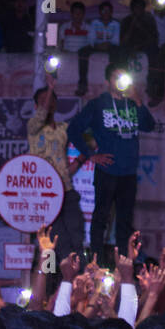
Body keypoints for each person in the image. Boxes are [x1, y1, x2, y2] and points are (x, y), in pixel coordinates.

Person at [67, 63, 156, 262]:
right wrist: (91, 155)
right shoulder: (98, 104)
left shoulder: (133, 104)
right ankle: (96, 263)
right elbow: (73, 129)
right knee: (101, 219)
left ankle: (124, 264)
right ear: (108, 82)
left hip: (128, 172)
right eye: (116, 77)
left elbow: (150, 126)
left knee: (125, 223)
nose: (121, 82)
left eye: (124, 78)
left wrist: (137, 100)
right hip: (107, 171)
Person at [27, 77, 111, 262]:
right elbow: (41, 116)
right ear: (36, 107)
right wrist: (50, 88)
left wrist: (82, 158)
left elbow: (91, 140)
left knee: (77, 236)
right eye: (43, 102)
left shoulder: (65, 128)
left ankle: (76, 280)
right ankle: (49, 282)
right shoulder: (33, 128)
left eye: (51, 101)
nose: (48, 105)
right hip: (44, 194)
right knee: (53, 242)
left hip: (66, 189)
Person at [75, 1, 121, 97]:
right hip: (96, 46)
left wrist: (107, 44)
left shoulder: (116, 24)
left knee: (117, 53)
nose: (105, 13)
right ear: (100, 12)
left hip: (110, 46)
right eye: (103, 10)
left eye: (108, 11)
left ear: (111, 12)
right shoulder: (95, 23)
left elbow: (116, 40)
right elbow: (91, 38)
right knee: (83, 52)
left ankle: (114, 84)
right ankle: (82, 85)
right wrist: (96, 45)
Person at [118, 0, 159, 88]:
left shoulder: (149, 19)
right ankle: (123, 80)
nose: (138, 10)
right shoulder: (126, 20)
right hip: (130, 46)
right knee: (122, 51)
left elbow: (154, 39)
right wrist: (132, 25)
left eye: (140, 8)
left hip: (145, 45)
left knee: (154, 50)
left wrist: (141, 27)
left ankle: (152, 82)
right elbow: (123, 41)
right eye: (136, 8)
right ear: (132, 9)